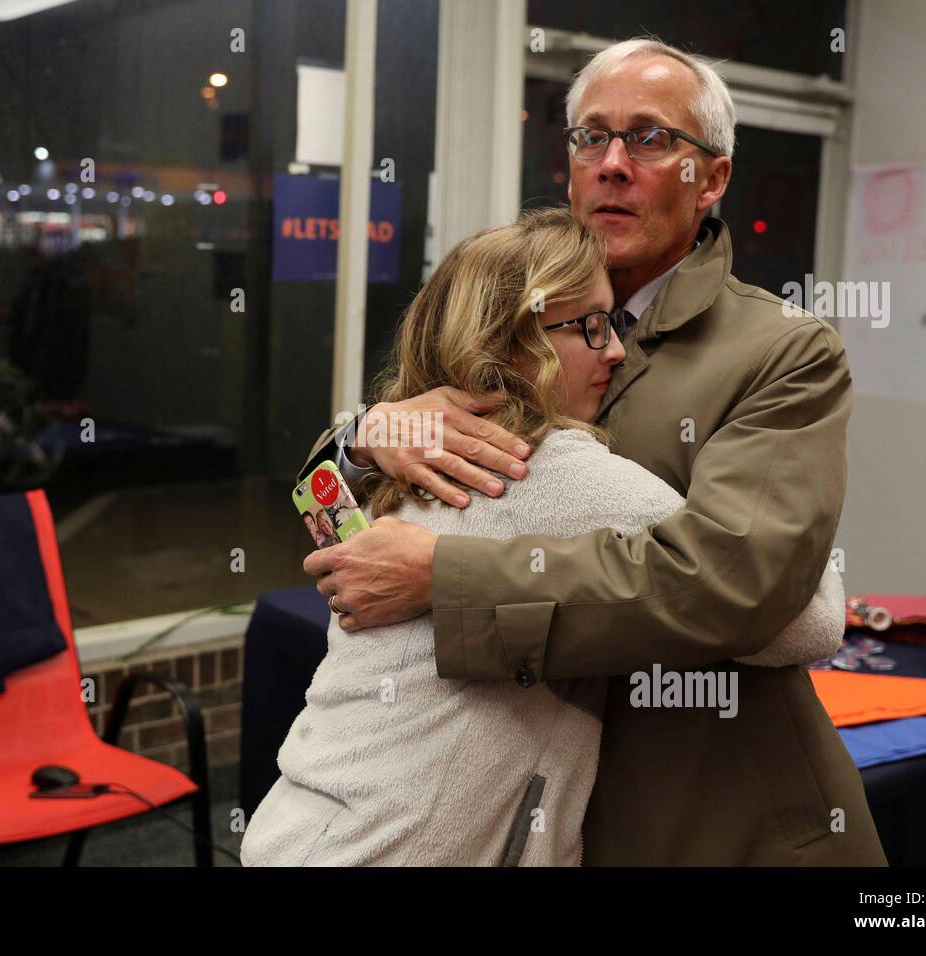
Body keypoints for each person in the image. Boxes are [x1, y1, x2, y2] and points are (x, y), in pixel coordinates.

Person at [298, 37, 887, 865]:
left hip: (716, 806)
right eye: (590, 137)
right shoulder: (517, 314)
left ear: (711, 178)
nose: (612, 163)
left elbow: (741, 581)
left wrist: (445, 578)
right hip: (544, 808)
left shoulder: (783, 351)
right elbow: (328, 510)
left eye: (650, 139)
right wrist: (370, 435)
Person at [241, 208, 846, 866]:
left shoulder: (411, 453)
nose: (617, 350)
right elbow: (812, 616)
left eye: (614, 321)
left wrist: (370, 435)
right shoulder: (550, 472)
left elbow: (329, 489)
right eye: (590, 327)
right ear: (505, 347)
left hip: (300, 831)